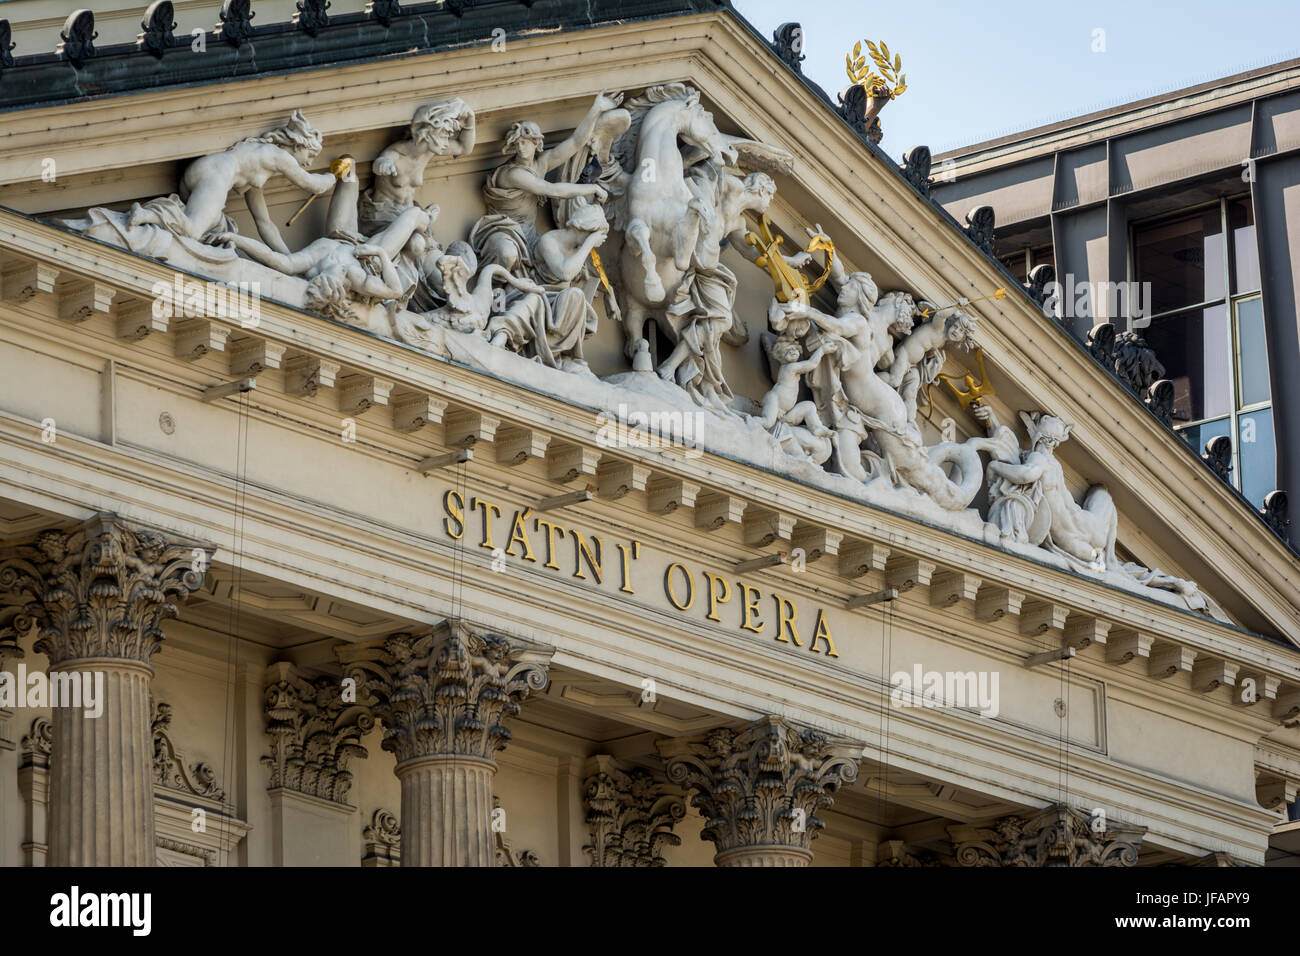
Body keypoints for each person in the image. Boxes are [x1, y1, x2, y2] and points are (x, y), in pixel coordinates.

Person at [127, 110, 336, 255]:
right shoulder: (279, 156)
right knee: (192, 231)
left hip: (205, 174)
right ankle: (147, 214)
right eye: (311, 154)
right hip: (216, 173)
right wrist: (337, 173)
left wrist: (288, 259)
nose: (310, 162)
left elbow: (265, 224)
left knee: (215, 230)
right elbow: (312, 184)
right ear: (299, 145)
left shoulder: (254, 172)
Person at [468, 90, 624, 273]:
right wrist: (591, 189)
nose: (520, 147)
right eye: (517, 143)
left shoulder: (541, 164)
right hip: (506, 232)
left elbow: (575, 142)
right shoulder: (512, 174)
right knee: (508, 254)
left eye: (525, 142)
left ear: (536, 143)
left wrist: (596, 109)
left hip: (529, 234)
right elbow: (552, 190)